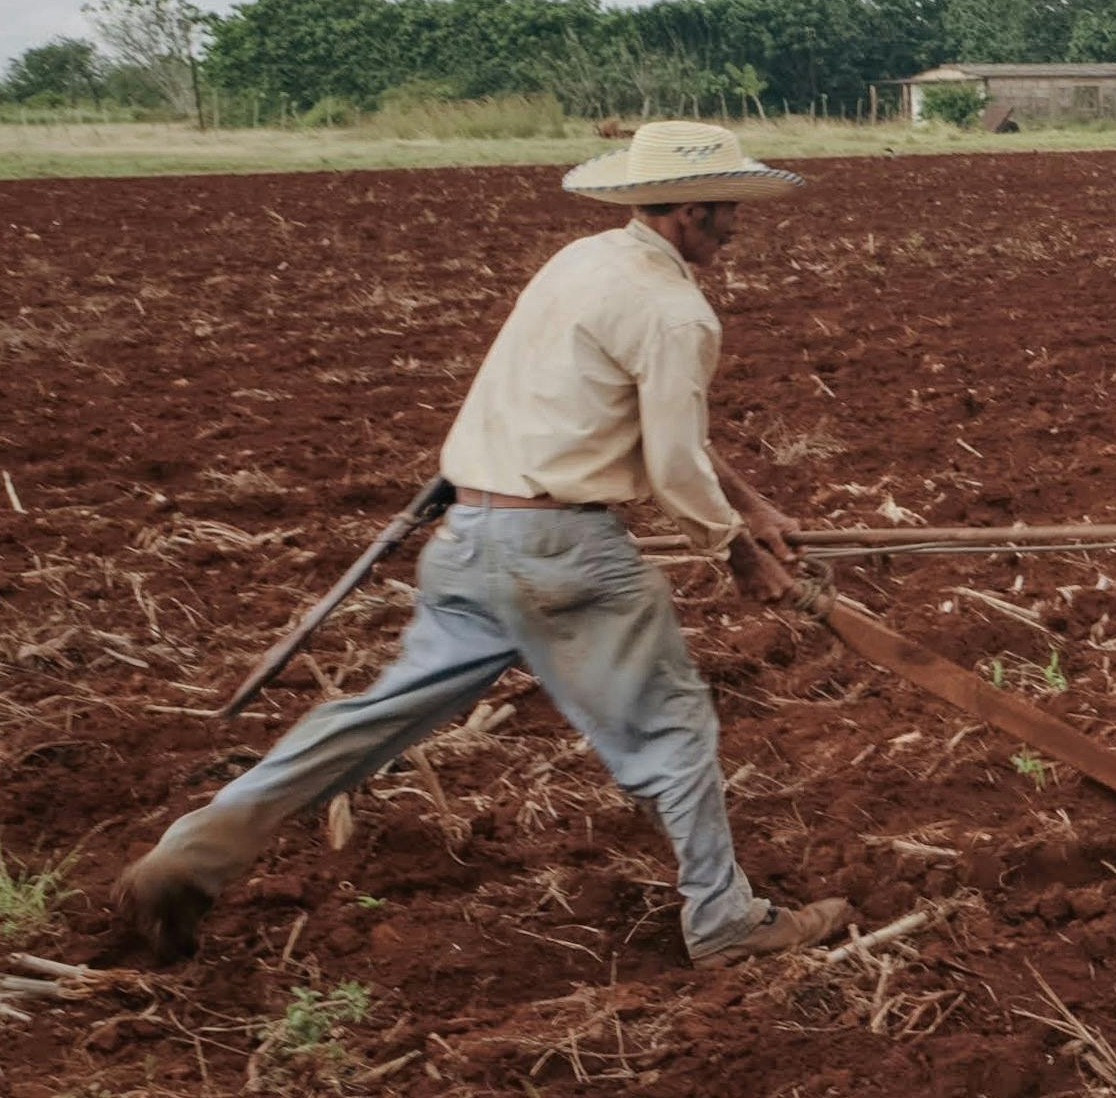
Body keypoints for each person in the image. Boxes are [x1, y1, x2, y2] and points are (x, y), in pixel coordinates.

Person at [114, 121, 854, 968]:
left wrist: (752, 504)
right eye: (726, 209)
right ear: (688, 210)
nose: (735, 224)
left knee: (369, 722)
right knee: (672, 726)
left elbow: (627, 415)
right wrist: (735, 552)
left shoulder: (579, 263)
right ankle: (724, 920)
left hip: (471, 534)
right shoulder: (674, 311)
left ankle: (192, 854)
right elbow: (675, 459)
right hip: (564, 552)